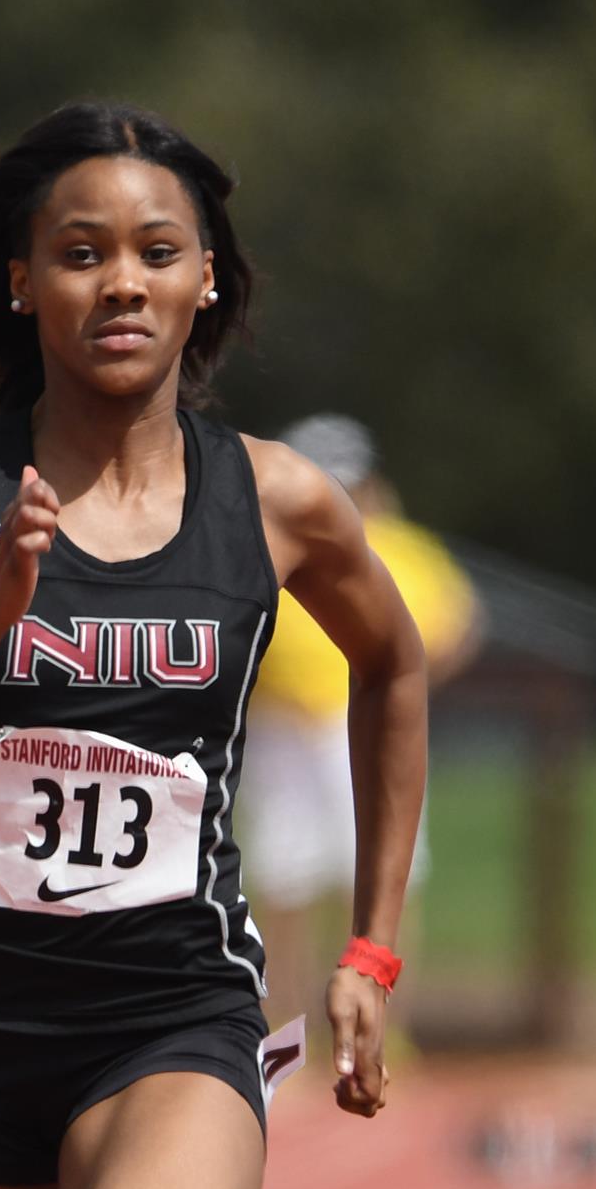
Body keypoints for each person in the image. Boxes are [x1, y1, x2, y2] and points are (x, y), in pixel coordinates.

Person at [0, 103, 428, 1189]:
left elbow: (393, 662)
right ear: (22, 283)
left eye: (155, 252)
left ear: (203, 280)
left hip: (171, 1016)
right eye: (82, 253)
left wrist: (371, 946)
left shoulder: (280, 503)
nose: (121, 283)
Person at [237, 413, 481, 1036]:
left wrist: (403, 696)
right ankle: (285, 1020)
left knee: (378, 878)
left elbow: (458, 624)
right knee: (284, 877)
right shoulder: (261, 535)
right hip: (282, 725)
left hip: (360, 724)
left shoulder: (400, 546)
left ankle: (379, 1025)